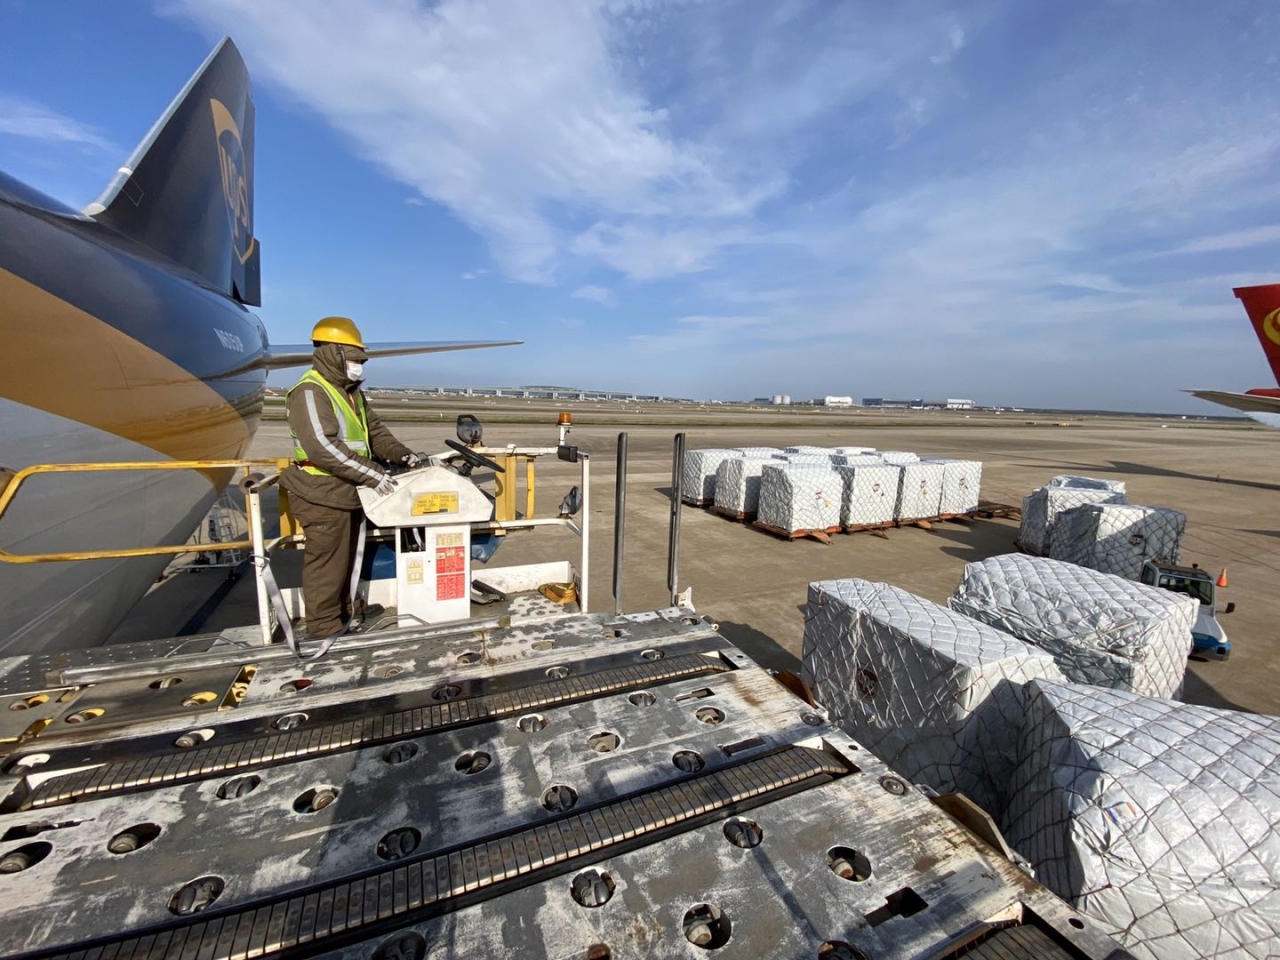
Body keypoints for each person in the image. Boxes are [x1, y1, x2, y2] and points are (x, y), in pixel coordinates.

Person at [281, 317, 421, 638]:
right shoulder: (310, 392)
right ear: (334, 353)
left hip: (347, 490)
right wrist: (373, 473)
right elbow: (322, 447)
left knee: (348, 559)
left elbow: (375, 433)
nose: (360, 366)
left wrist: (402, 454)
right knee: (328, 564)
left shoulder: (350, 393)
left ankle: (346, 611)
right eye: (355, 359)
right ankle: (324, 629)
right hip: (321, 493)